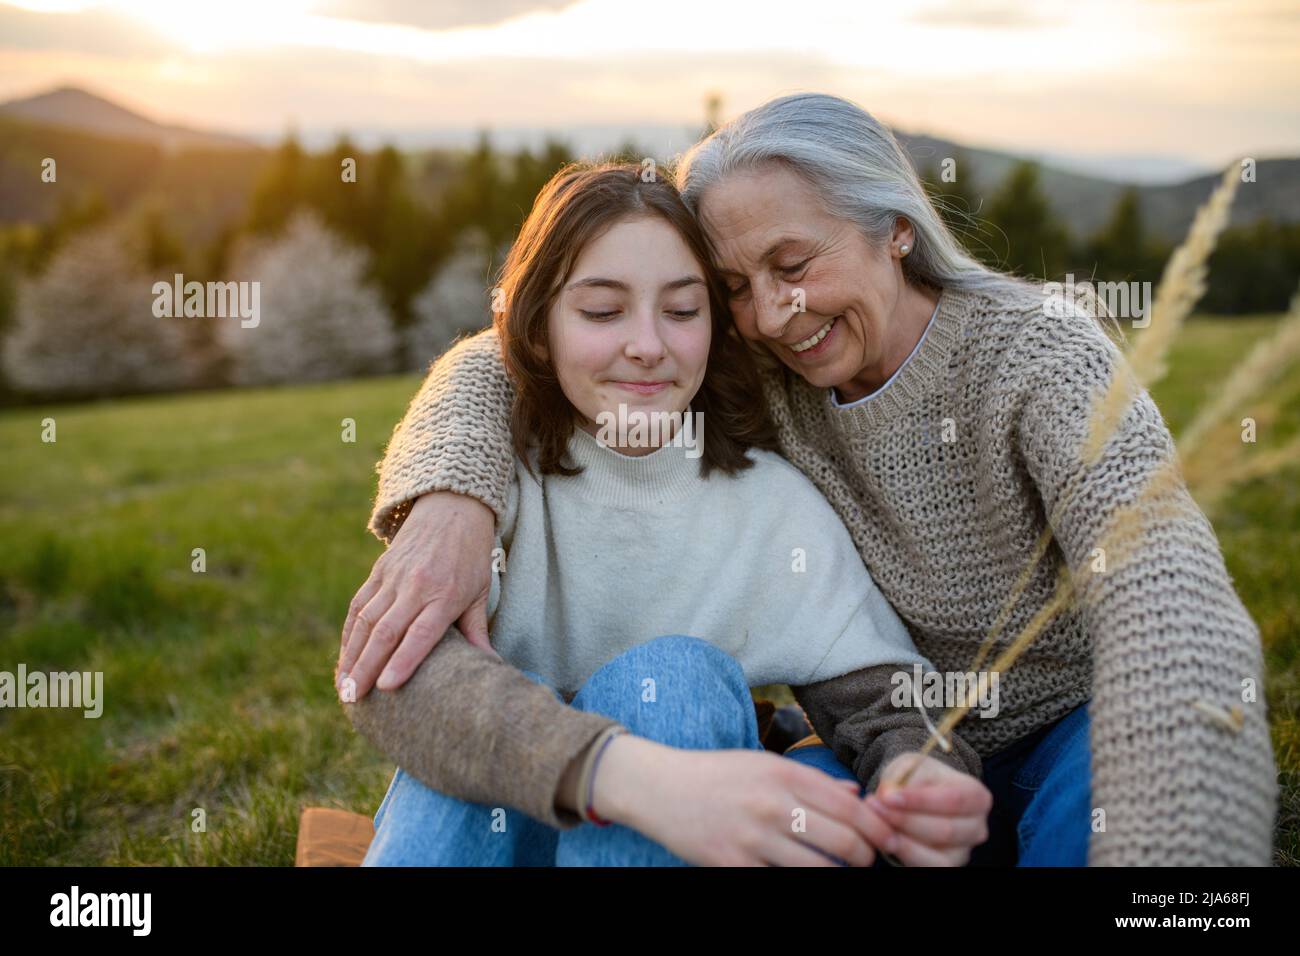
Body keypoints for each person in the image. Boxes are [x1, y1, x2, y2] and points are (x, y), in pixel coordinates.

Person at [343, 94, 1277, 865]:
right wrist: (452, 496)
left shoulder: (1039, 355)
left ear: (897, 230)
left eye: (793, 265)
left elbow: (1168, 599)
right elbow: (531, 350)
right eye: (736, 287)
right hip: (878, 746)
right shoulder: (753, 363)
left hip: (1068, 720)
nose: (775, 315)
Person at [341, 163, 989, 867]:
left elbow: (886, 705)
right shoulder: (485, 480)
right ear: (536, 330)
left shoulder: (769, 506)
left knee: (671, 677)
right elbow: (390, 679)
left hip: (675, 835)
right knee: (476, 735)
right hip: (505, 826)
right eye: (601, 311)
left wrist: (916, 775)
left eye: (681, 311)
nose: (648, 345)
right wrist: (629, 778)